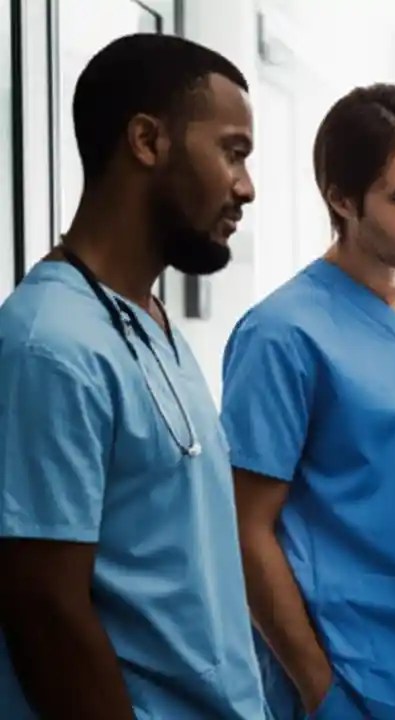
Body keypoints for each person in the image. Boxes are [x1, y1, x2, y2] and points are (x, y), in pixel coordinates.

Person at [0, 34, 263, 718]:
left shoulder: (149, 324)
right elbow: (43, 607)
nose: (246, 186)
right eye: (231, 151)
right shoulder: (48, 343)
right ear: (148, 140)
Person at [220, 83, 395, 720]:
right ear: (342, 199)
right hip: (363, 686)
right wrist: (322, 693)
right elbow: (244, 531)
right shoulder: (283, 335)